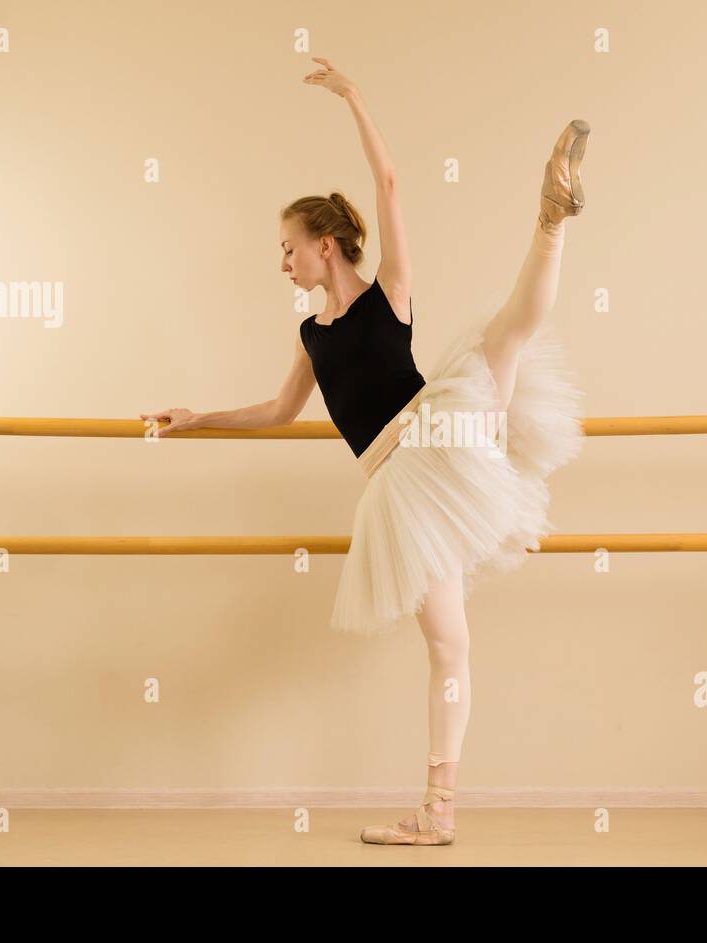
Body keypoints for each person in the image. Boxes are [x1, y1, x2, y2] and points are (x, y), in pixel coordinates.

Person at [141, 57, 588, 846]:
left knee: (510, 332)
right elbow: (279, 413)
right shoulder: (312, 336)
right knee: (451, 646)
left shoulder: (392, 292)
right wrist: (197, 418)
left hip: (437, 438)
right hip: (415, 480)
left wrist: (354, 97)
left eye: (288, 247)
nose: (282, 262)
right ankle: (438, 813)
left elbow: (389, 185)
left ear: (324, 244)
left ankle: (552, 219)